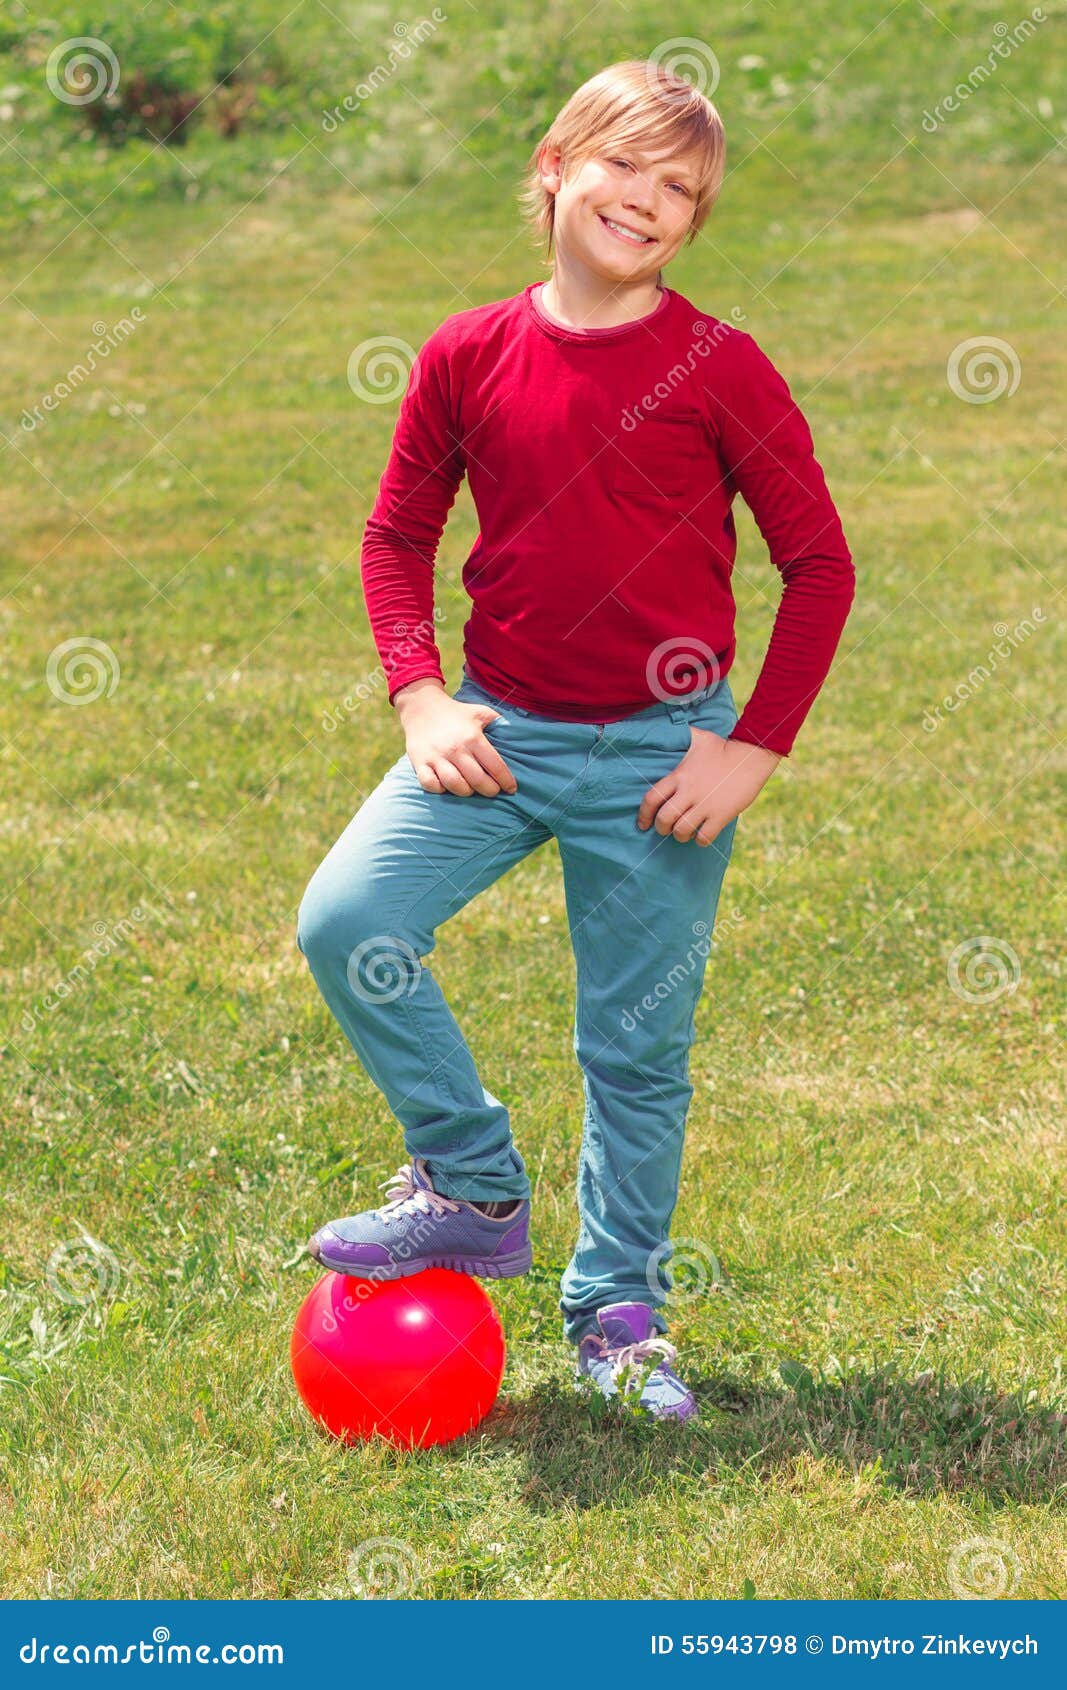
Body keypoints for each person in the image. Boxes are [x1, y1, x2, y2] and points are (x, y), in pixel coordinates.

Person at [296, 60, 855, 1423]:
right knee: (347, 917)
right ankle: (472, 1181)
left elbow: (820, 564)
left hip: (665, 756)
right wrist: (423, 697)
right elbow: (395, 537)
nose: (651, 204)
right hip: (501, 731)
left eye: (683, 192)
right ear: (555, 169)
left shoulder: (720, 367)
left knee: (634, 1050)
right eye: (628, 171)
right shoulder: (468, 351)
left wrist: (749, 750)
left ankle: (617, 1314)